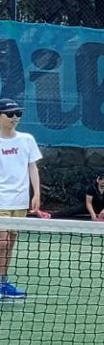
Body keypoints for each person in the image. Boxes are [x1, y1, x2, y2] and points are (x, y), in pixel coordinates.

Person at [0, 97, 42, 300]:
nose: (15, 117)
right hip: (1, 200)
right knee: (2, 242)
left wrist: (37, 193)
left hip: (20, 201)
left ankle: (2, 282)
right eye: (10, 114)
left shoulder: (27, 139)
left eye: (18, 114)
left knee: (10, 243)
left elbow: (32, 167)